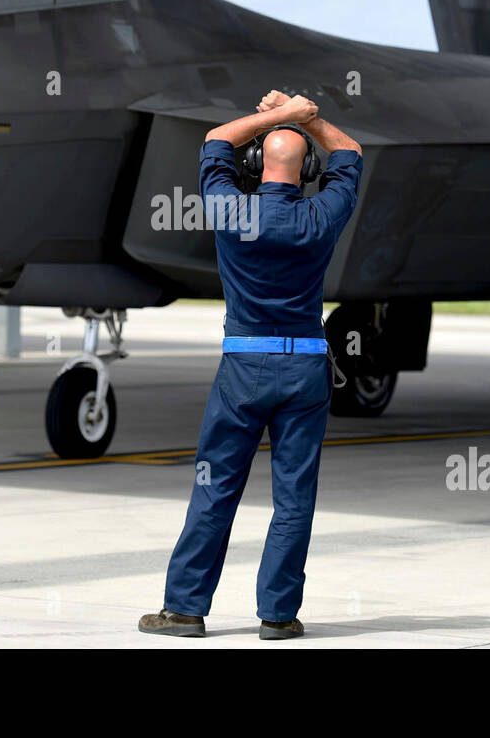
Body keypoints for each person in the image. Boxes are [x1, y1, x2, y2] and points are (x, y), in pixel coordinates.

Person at [139, 89, 363, 640]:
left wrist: (281, 116)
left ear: (256, 165)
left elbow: (217, 140)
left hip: (243, 368)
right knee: (294, 496)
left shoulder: (228, 209)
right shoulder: (321, 215)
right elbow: (350, 151)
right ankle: (278, 616)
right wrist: (307, 117)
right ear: (308, 169)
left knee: (214, 487)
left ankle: (185, 610)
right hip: (307, 369)